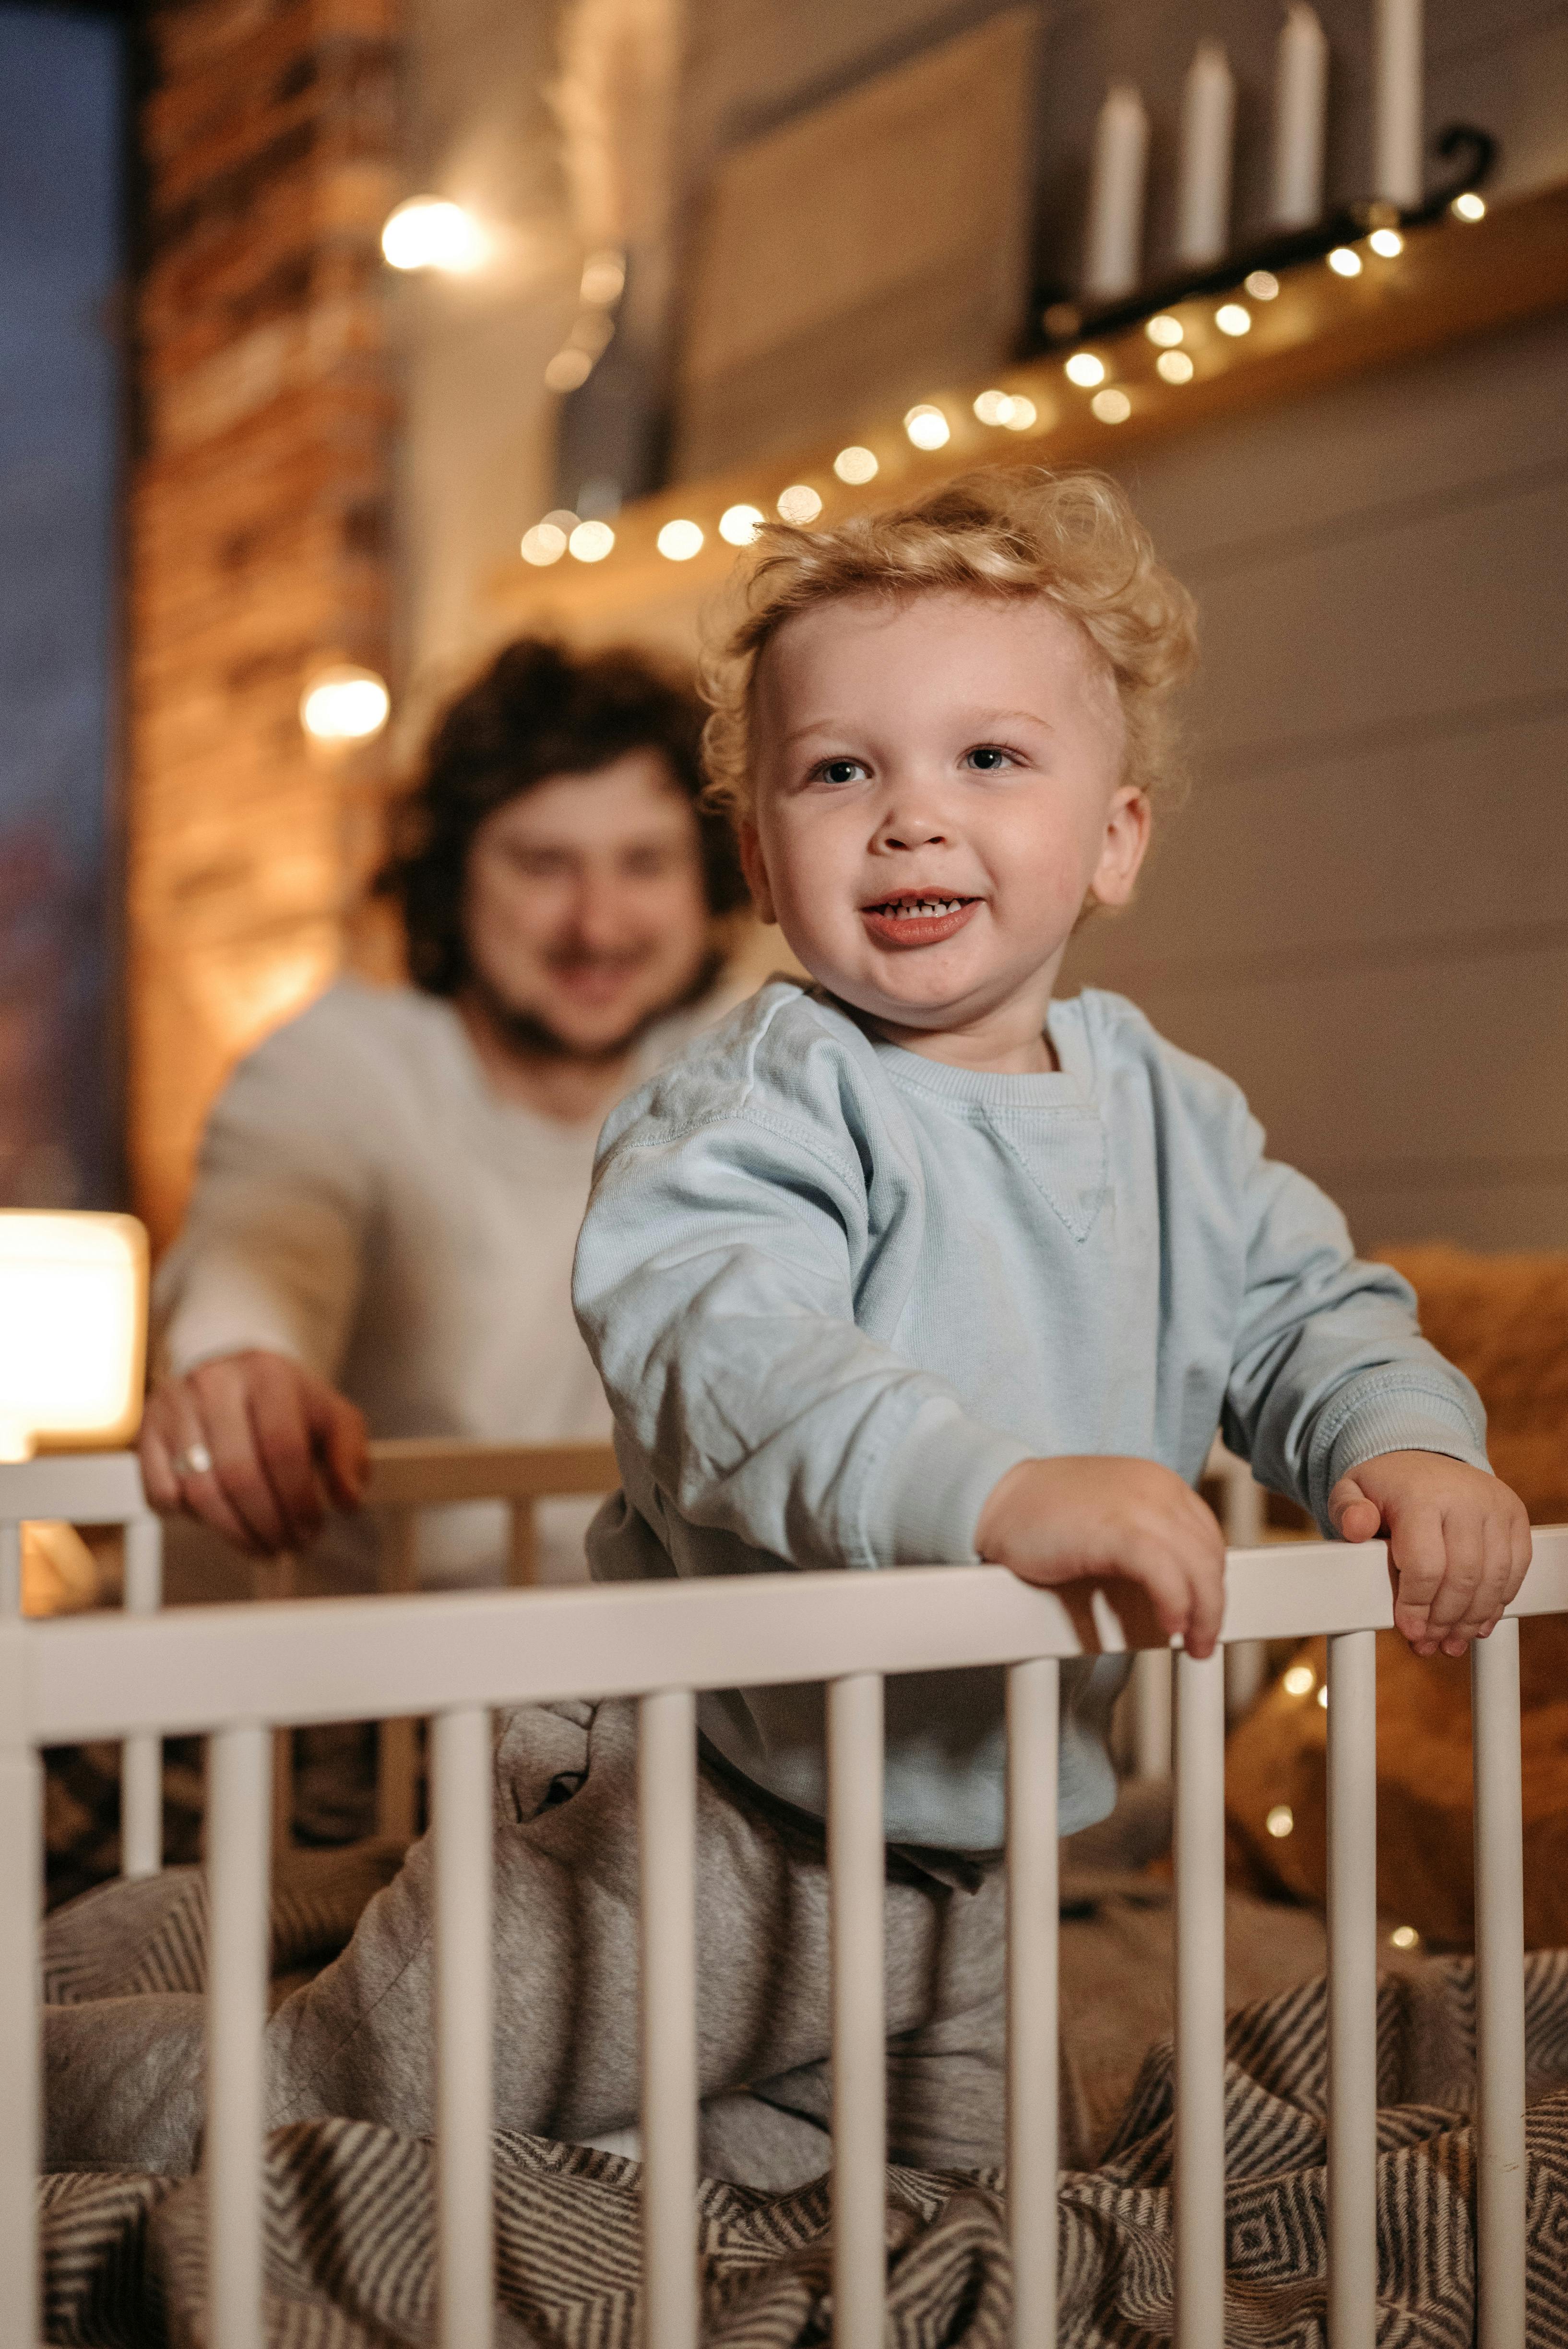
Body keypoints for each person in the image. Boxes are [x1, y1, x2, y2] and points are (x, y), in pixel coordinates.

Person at [47, 469, 1530, 2188]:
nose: (909, 818)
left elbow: (1308, 1305)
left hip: (983, 1827)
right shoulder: (754, 1099)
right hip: (718, 1806)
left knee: (968, 2203)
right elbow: (728, 1356)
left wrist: (1403, 1436)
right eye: (840, 772)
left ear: (1113, 836)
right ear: (761, 857)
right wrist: (991, 1492)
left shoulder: (1174, 1118)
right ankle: (55, 2078)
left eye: (987, 758)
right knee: (349, 2095)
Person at [139, 639, 748, 1593]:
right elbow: (266, 1234)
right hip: (294, 1683)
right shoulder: (339, 1061)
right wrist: (241, 1360)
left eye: (643, 863)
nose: (596, 924)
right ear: (455, 879)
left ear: (705, 876)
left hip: (586, 1696)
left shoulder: (747, 1073)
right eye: (543, 865)